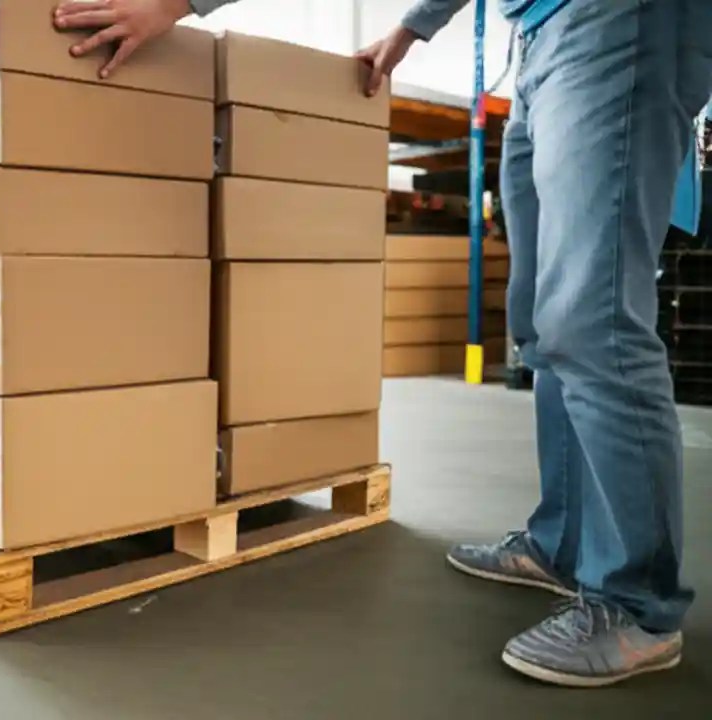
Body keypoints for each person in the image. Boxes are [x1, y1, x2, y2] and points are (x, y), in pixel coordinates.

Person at [53, 0, 712, 688]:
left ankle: (639, 606)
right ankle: (565, 544)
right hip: (540, 37)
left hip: (622, 20)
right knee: (544, 328)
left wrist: (175, 5)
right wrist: (415, 25)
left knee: (591, 319)